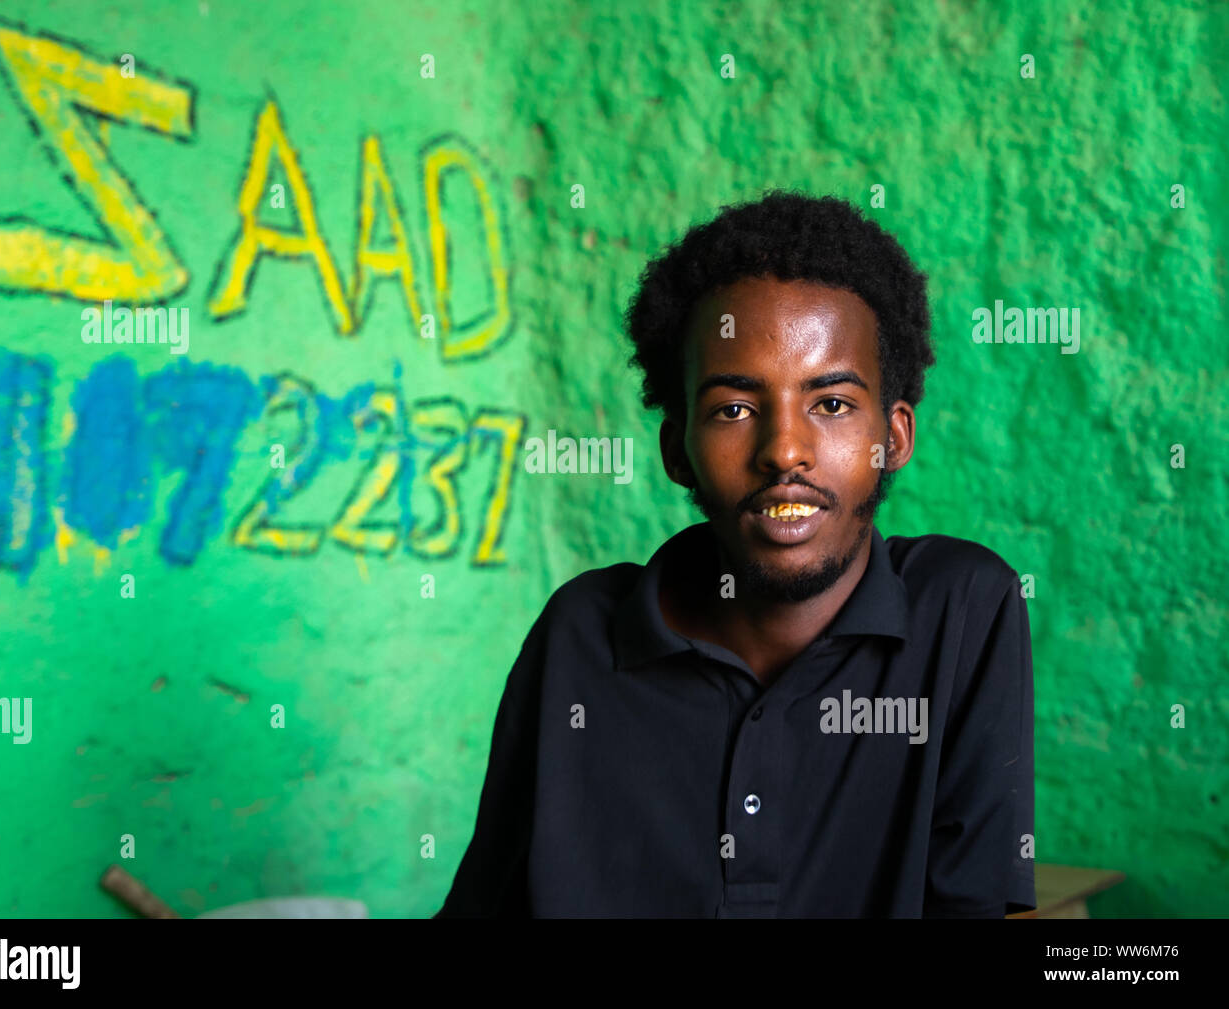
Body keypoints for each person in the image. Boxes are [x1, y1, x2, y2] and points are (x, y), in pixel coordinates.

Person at [435, 190, 1035, 918]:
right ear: (677, 450)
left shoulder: (960, 612)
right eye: (734, 409)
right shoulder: (583, 637)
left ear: (896, 438)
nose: (784, 450)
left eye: (833, 404)